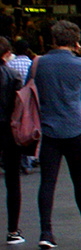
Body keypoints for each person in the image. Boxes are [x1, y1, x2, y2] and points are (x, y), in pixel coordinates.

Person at [33, 20, 81, 249]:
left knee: (47, 181)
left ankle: (46, 232)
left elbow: (34, 87)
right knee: (80, 179)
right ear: (75, 41)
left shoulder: (40, 64)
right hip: (75, 128)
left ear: (53, 39)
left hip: (49, 129)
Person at [0, 38, 24, 244]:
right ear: (6, 53)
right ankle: (13, 231)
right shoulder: (13, 75)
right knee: (12, 182)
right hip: (8, 132)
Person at [7, 39, 36, 173]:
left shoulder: (10, 65)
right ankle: (30, 159)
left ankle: (20, 160)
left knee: (18, 129)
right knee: (29, 127)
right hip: (30, 102)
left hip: (16, 101)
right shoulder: (32, 64)